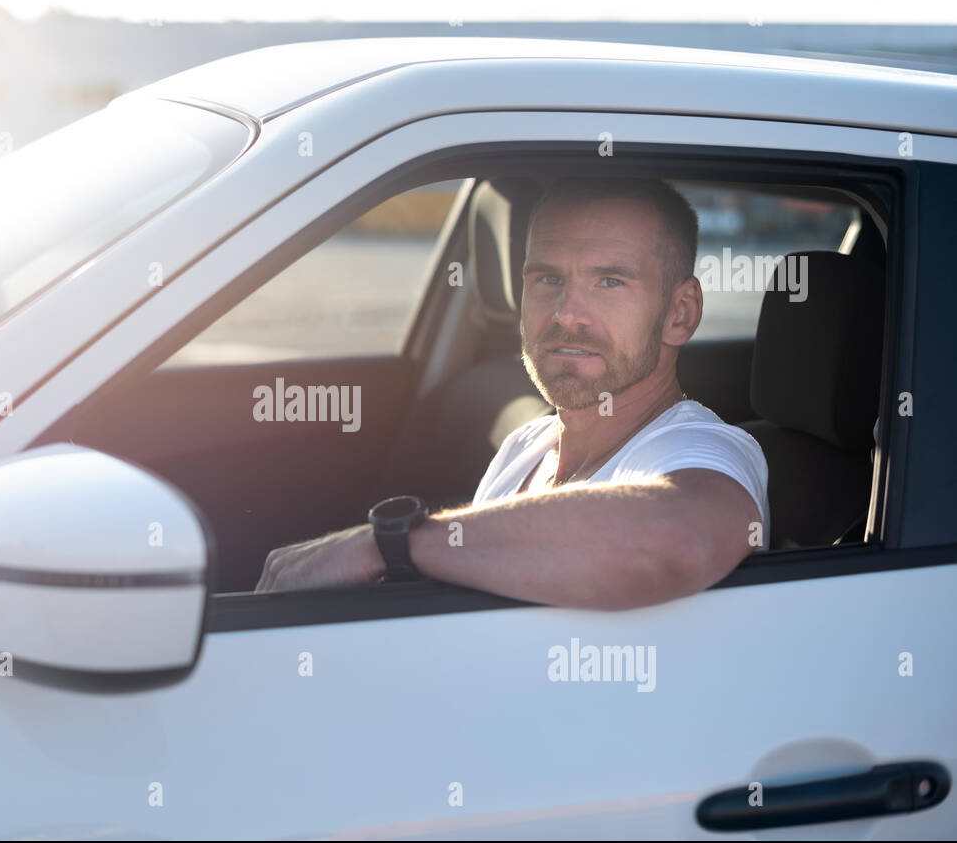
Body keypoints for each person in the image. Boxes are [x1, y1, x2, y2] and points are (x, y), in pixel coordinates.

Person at [256, 178, 769, 610]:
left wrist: (384, 544)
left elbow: (676, 541)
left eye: (609, 282)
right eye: (547, 278)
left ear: (680, 313)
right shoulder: (526, 445)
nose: (567, 312)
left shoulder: (706, 450)